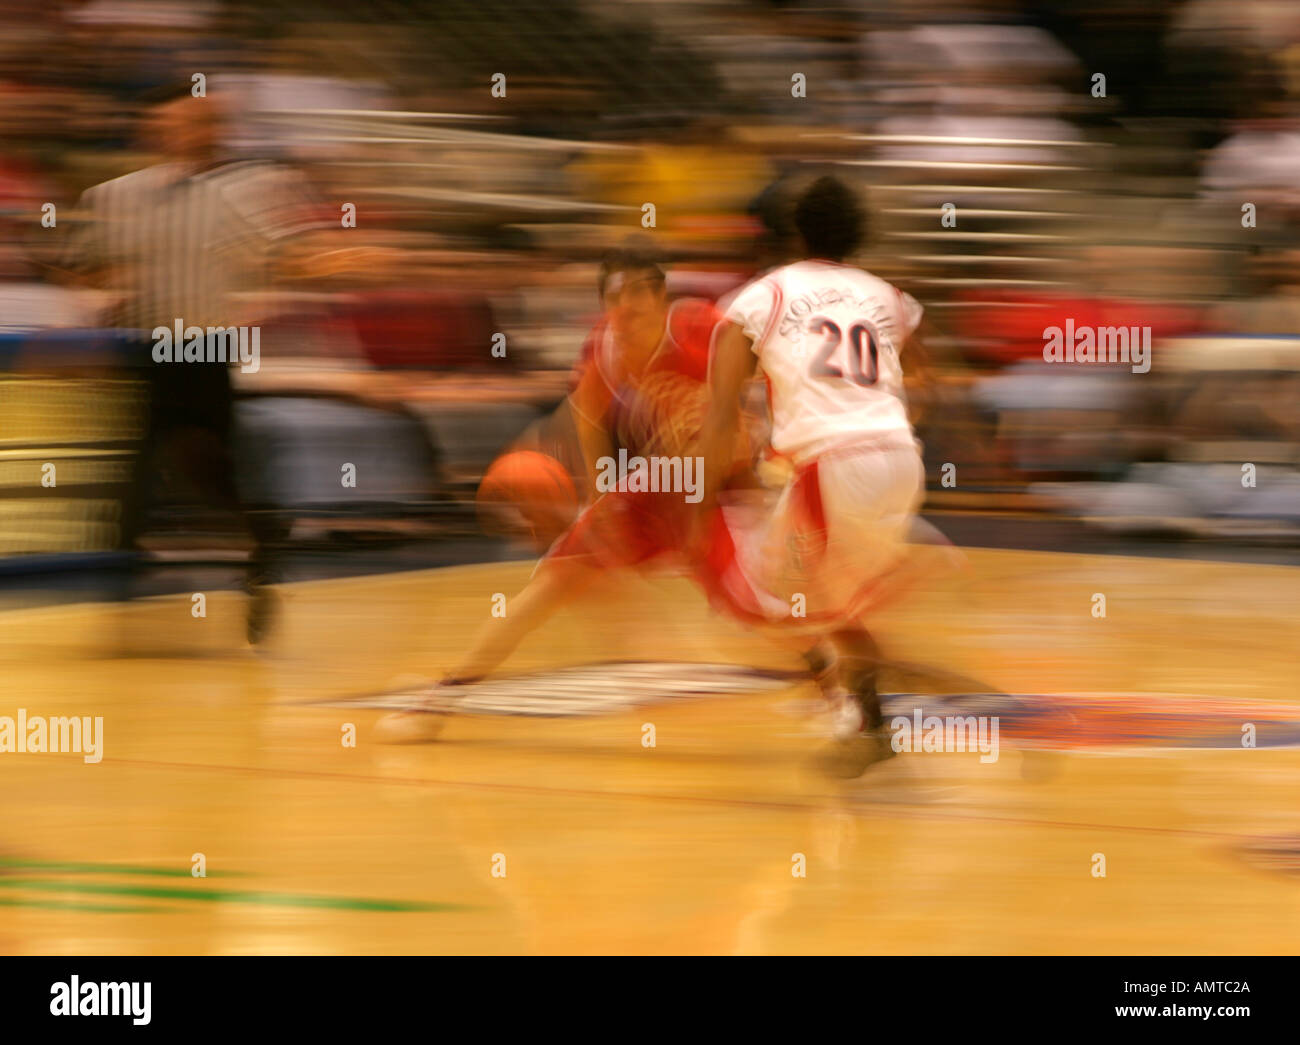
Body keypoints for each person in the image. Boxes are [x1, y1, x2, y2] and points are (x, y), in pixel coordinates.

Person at [377, 247, 743, 741]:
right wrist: (600, 500)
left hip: (723, 485)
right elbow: (590, 424)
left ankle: (840, 686)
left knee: (761, 600)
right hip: (657, 482)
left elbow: (761, 385)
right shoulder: (604, 346)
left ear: (661, 298)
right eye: (615, 296)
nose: (626, 305)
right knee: (547, 587)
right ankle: (437, 702)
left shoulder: (705, 328)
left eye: (638, 292)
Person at [693, 174, 938, 774]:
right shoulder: (885, 294)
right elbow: (926, 384)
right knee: (823, 600)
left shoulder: (760, 297)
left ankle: (889, 690)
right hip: (900, 460)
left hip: (834, 467)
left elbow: (720, 413)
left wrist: (697, 499)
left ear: (790, 232)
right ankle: (871, 718)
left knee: (759, 596)